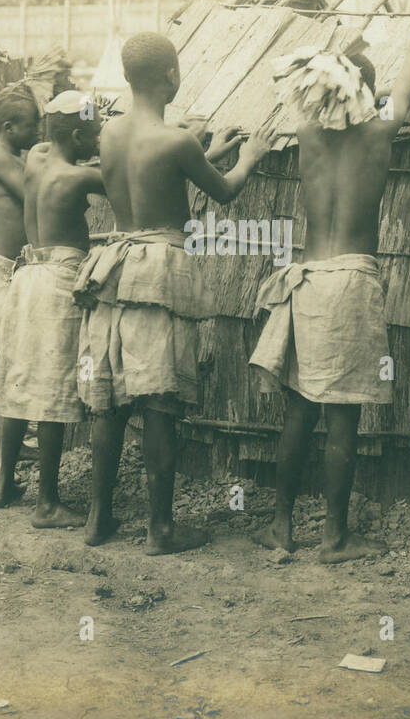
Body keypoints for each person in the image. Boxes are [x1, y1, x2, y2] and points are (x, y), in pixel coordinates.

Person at [249, 27, 410, 562]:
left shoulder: (307, 137)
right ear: (365, 93)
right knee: (342, 416)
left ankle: (280, 527)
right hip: (353, 281)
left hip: (308, 280)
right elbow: (402, 99)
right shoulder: (378, 134)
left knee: (298, 411)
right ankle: (334, 537)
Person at [76, 33, 273, 553]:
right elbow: (225, 190)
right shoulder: (177, 142)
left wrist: (210, 151)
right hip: (158, 271)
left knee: (110, 402)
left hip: (113, 267)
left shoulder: (112, 134)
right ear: (171, 75)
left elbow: (155, 171)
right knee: (158, 399)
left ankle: (99, 520)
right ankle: (160, 529)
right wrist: (248, 156)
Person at [0, 90, 103, 522]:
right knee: (54, 391)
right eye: (93, 134)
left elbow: (72, 150)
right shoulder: (79, 178)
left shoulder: (37, 155)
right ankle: (47, 503)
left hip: (25, 278)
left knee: (19, 382)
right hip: (58, 280)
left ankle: (4, 484)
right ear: (76, 135)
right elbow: (122, 174)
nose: (98, 140)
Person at [0, 83, 41, 483]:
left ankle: (14, 446)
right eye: (33, 127)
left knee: (18, 359)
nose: (39, 134)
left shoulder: (11, 153)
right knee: (4, 361)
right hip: (6, 271)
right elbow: (35, 191)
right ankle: (1, 457)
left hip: (18, 267)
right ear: (8, 127)